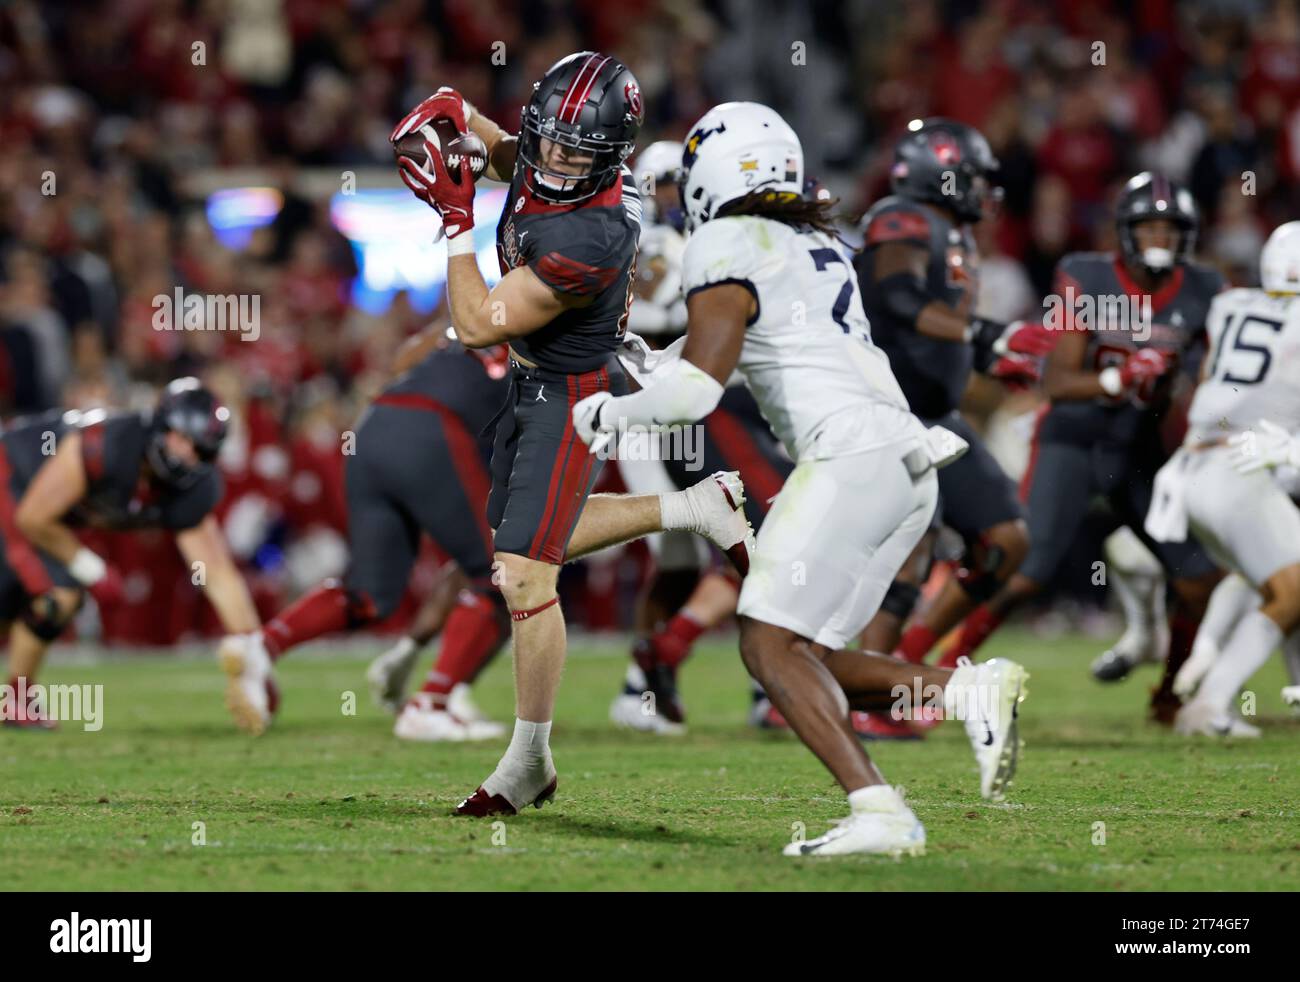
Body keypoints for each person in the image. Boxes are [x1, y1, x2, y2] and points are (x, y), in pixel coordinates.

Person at [573, 101, 1029, 857]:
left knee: (768, 645)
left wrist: (609, 416)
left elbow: (697, 392)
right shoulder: (804, 237)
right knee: (802, 656)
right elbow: (727, 341)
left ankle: (881, 812)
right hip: (907, 459)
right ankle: (967, 693)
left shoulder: (722, 238)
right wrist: (645, 360)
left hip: (851, 456)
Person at [394, 53, 756, 816]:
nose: (556, 160)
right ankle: (695, 508)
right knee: (522, 548)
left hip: (573, 389)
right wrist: (452, 116)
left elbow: (475, 324)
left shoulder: (592, 234)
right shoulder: (548, 150)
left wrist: (455, 220)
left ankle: (529, 760)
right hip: (536, 382)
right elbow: (504, 149)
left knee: (527, 576)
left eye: (575, 151)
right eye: (549, 139)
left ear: (610, 159)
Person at [939, 173, 1225, 723]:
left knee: (1197, 577)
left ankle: (1168, 698)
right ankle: (942, 672)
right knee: (1028, 569)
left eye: (1171, 226)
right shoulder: (1086, 275)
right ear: (1126, 232)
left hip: (1138, 449)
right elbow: (1059, 381)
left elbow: (1205, 381)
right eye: (1149, 226)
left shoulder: (1204, 288)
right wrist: (1120, 381)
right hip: (1073, 436)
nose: (1160, 236)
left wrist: (1171, 386)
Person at [219, 330, 515, 741]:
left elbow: (401, 362)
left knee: (368, 593)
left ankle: (262, 646)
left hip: (373, 425)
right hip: (430, 427)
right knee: (502, 573)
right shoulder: (553, 322)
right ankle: (432, 702)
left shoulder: (472, 315)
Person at [853, 120, 1049, 701]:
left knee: (1004, 541)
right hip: (887, 409)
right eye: (970, 176)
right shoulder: (901, 217)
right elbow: (897, 297)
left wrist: (989, 354)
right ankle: (864, 690)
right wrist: (989, 333)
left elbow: (939, 334)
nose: (981, 189)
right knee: (908, 551)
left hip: (939, 414)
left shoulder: (955, 234)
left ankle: (905, 674)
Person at [0, 378, 259, 728]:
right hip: (12, 476)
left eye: (200, 449)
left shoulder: (194, 488)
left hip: (36, 508)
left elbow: (217, 573)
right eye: (181, 438)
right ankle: (15, 699)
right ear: (160, 425)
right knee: (57, 594)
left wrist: (257, 656)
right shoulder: (107, 445)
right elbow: (33, 517)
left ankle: (14, 700)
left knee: (37, 602)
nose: (186, 454)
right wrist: (92, 568)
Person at [1146, 221, 1300, 735]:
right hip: (1243, 467)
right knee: (1291, 590)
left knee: (1274, 581)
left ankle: (1210, 677)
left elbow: (1213, 376)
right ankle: (1209, 704)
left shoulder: (1232, 305)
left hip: (1195, 466)